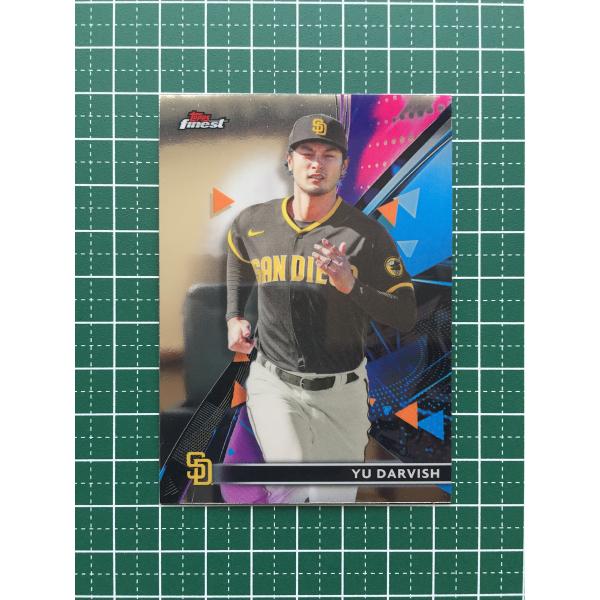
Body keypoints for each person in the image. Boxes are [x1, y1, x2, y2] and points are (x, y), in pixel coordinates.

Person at [225, 114, 417, 503]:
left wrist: (352, 286)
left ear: (344, 166)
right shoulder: (254, 221)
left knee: (333, 500)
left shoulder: (366, 235)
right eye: (307, 153)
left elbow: (405, 313)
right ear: (289, 160)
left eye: (329, 155)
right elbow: (238, 254)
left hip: (341, 391)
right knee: (292, 484)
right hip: (274, 383)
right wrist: (234, 315)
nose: (317, 164)